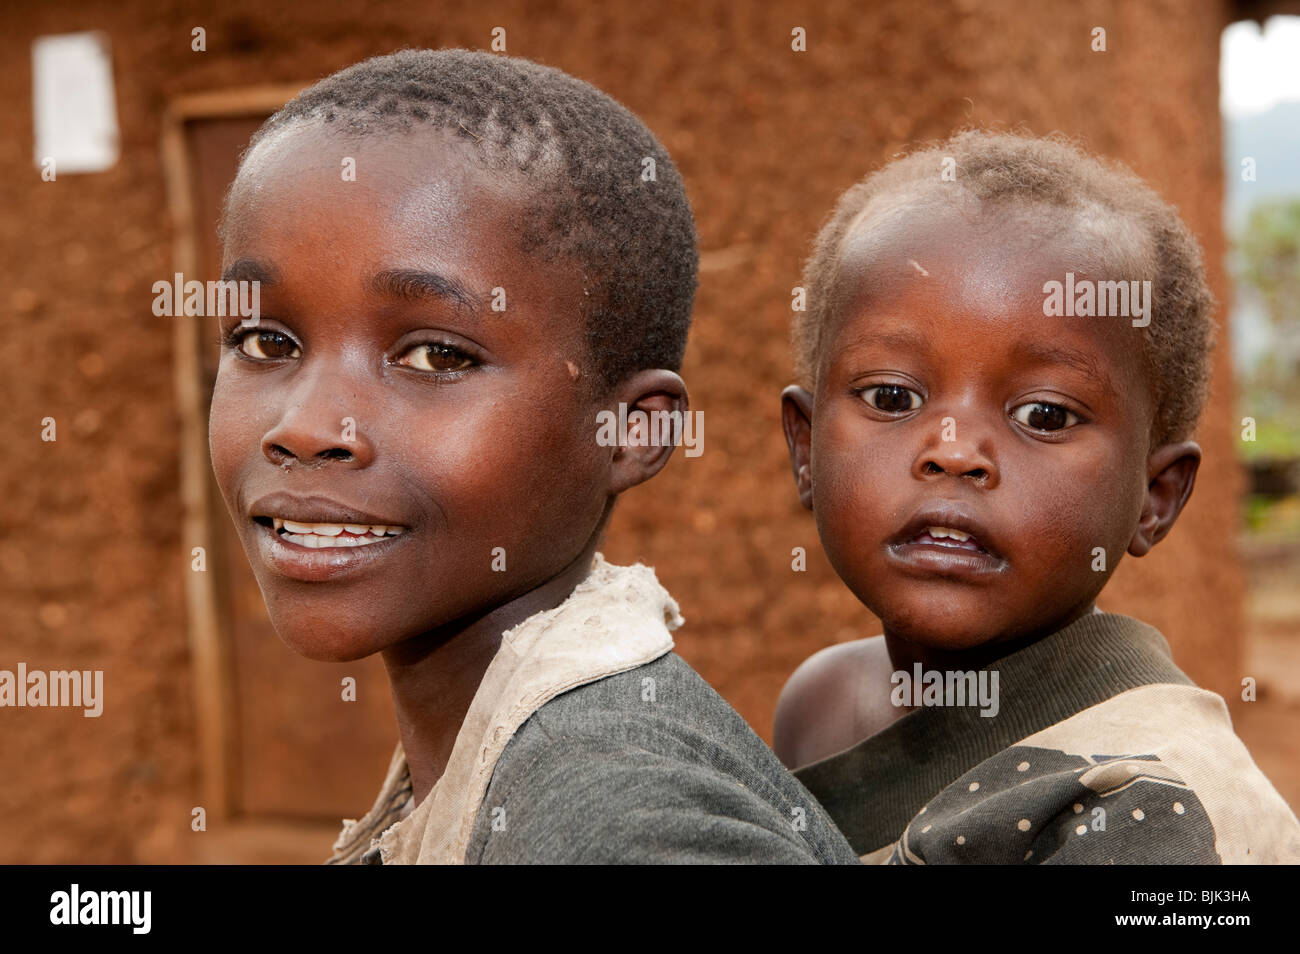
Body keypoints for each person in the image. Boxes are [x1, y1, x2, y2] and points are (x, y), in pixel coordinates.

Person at [209, 48, 857, 864]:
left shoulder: (618, 823)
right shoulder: (499, 761)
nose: (306, 428)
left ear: (631, 430)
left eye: (436, 357)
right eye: (265, 340)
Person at [774, 129, 1300, 863]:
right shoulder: (822, 704)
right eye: (892, 396)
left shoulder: (1161, 806)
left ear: (1155, 497)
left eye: (1044, 416)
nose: (954, 449)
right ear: (805, 450)